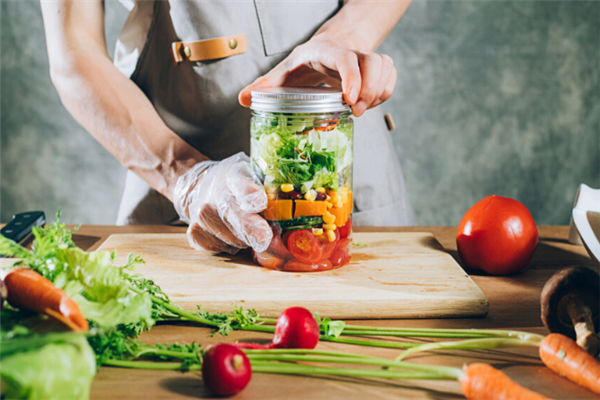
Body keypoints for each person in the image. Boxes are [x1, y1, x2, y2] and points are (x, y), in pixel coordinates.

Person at [41, 0, 417, 254]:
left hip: (344, 176)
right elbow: (74, 51)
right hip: (183, 196)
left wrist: (339, 40)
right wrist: (188, 179)